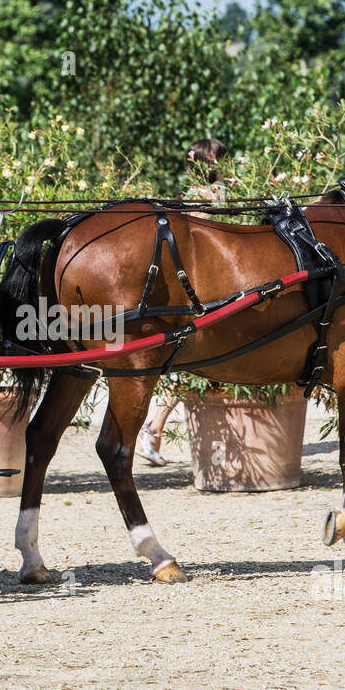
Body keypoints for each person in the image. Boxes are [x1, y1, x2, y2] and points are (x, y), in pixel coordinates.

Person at [137, 138, 230, 465]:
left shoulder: (187, 200)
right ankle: (153, 430)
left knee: (184, 366)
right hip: (208, 290)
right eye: (220, 160)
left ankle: (153, 431)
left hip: (195, 288)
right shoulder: (214, 197)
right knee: (193, 365)